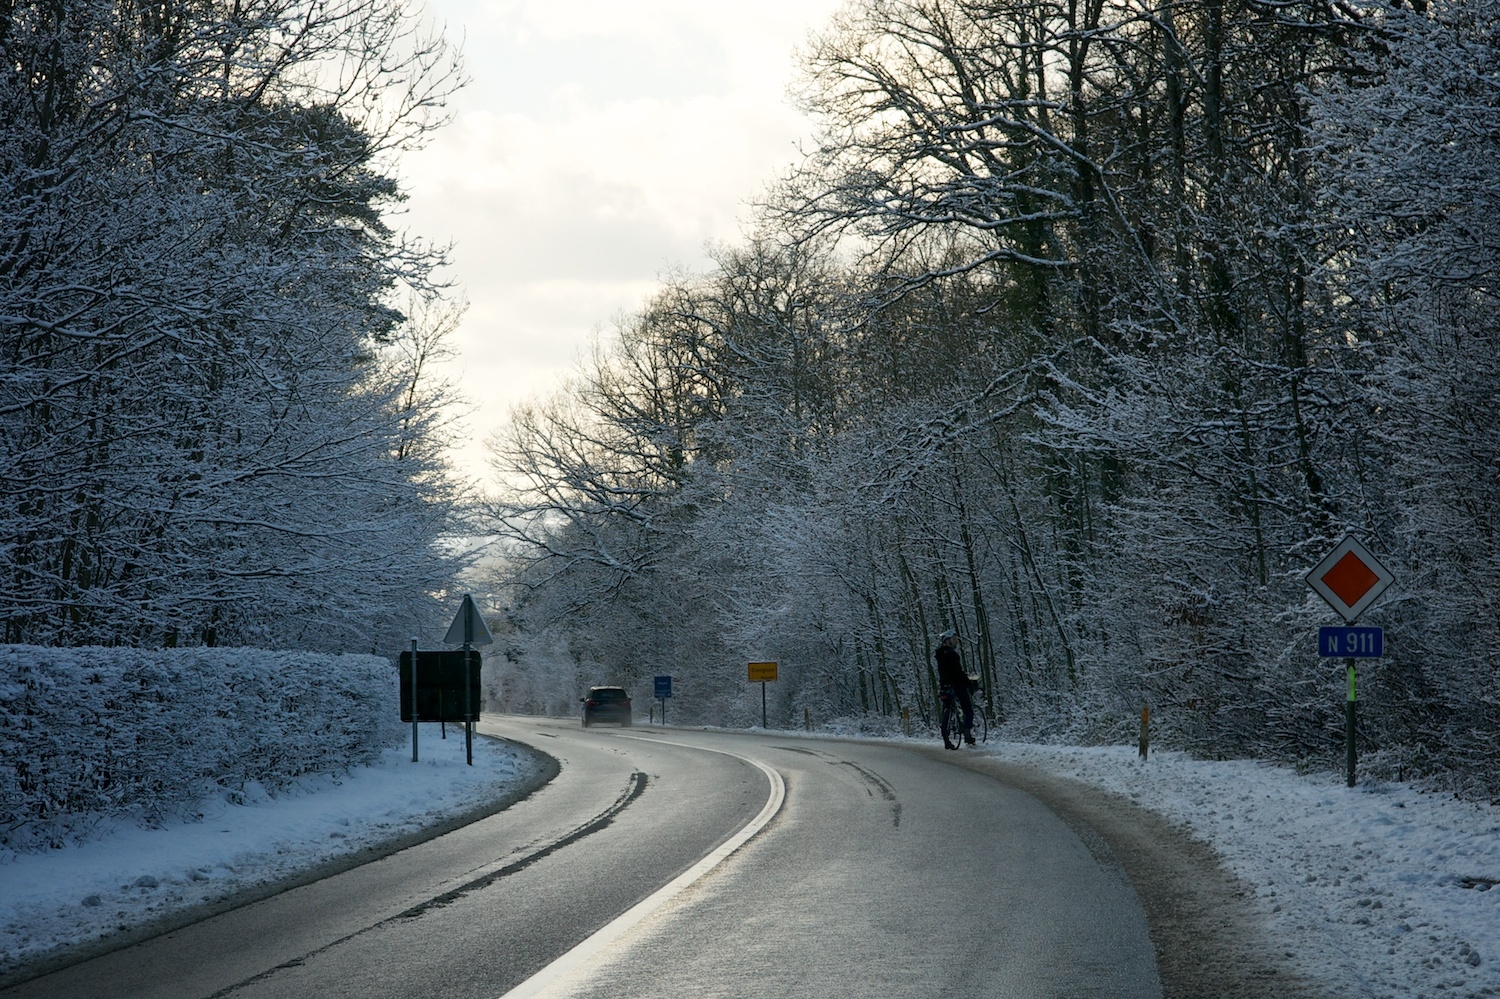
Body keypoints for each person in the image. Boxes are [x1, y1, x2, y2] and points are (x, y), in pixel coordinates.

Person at [934, 629, 975, 749]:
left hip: (944, 687)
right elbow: (958, 672)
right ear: (947, 641)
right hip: (956, 686)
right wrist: (968, 683)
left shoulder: (940, 654)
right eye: (954, 639)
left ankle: (946, 738)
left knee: (946, 710)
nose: (956, 641)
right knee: (968, 709)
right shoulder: (952, 654)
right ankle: (967, 734)